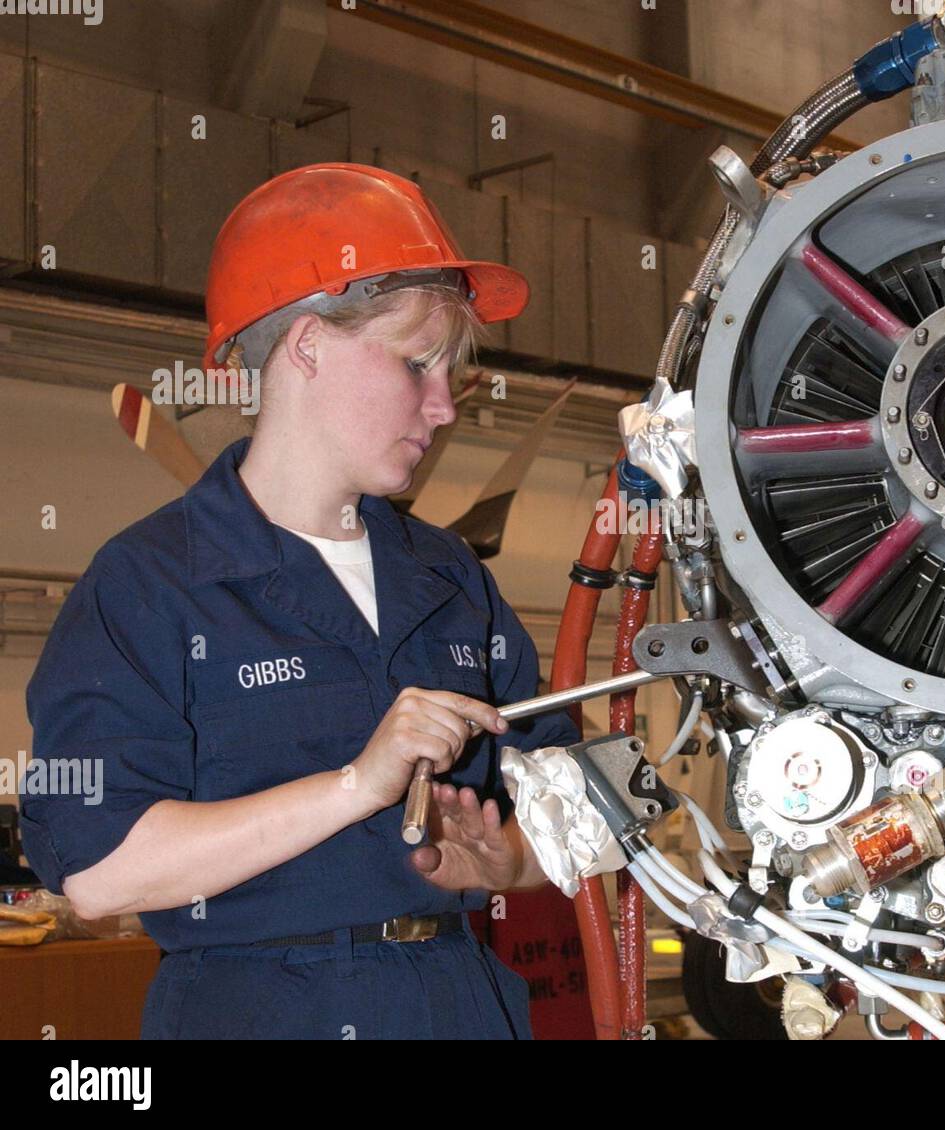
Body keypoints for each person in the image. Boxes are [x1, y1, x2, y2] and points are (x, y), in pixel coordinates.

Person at [19, 163, 578, 1039]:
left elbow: (570, 803)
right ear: (309, 346)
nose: (442, 409)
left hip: (457, 995)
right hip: (261, 1009)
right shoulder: (148, 585)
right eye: (416, 365)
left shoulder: (450, 577)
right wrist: (358, 784)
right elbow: (98, 873)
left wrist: (507, 860)